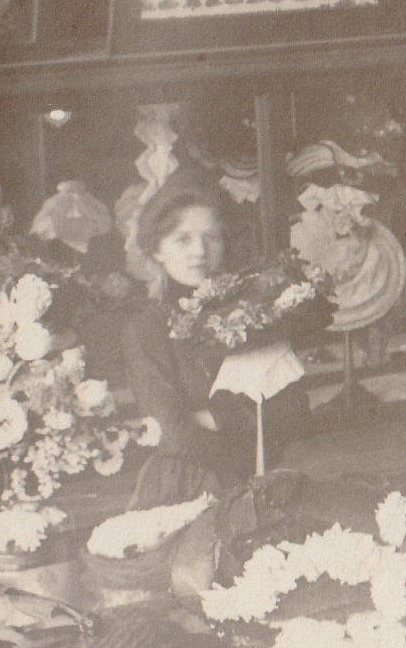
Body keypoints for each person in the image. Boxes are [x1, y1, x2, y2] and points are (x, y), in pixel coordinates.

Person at [116, 173, 305, 505]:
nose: (199, 252)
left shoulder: (252, 313)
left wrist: (214, 417)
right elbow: (174, 432)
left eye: (211, 238)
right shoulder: (147, 329)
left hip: (265, 478)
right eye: (182, 239)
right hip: (187, 489)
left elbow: (294, 409)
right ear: (157, 250)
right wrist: (245, 417)